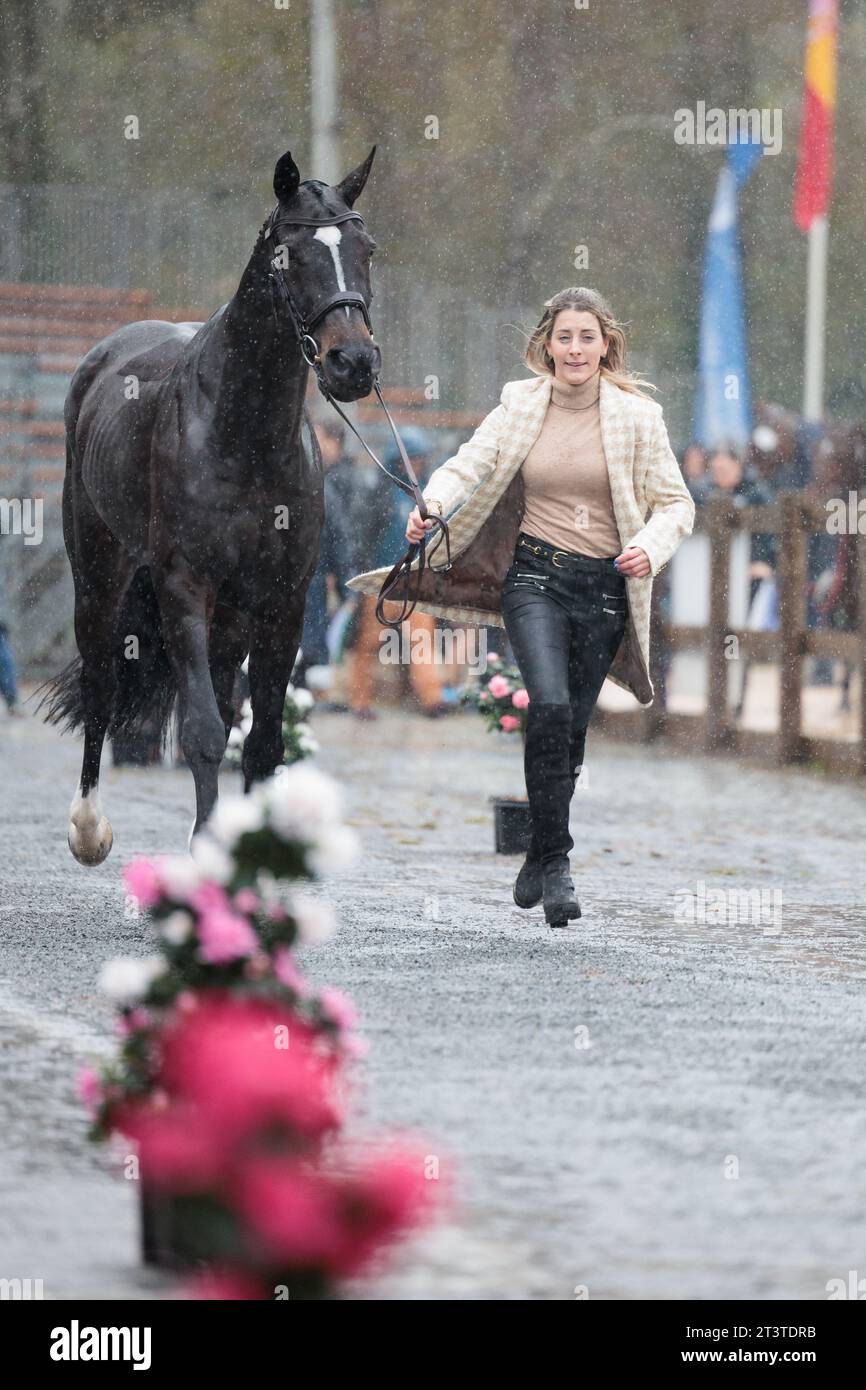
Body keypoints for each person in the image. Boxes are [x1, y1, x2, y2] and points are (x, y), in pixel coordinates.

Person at [346, 285, 695, 928]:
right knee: (551, 705)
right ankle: (558, 861)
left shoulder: (637, 416)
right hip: (534, 579)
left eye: (587, 337)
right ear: (547, 344)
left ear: (605, 345)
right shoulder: (520, 402)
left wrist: (650, 545)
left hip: (605, 588)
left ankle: (536, 846)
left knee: (573, 730)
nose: (575, 349)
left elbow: (677, 503)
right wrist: (433, 505)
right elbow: (467, 462)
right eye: (564, 336)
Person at [344, 428, 455, 719]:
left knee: (421, 640)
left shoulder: (428, 494)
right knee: (369, 641)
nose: (416, 464)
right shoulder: (379, 493)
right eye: (411, 459)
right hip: (382, 581)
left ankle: (432, 699)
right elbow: (362, 538)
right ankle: (360, 701)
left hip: (416, 580)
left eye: (419, 459)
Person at [293, 419, 354, 700]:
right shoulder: (319, 485)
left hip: (309, 593)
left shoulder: (328, 486)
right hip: (306, 593)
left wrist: (346, 586)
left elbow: (340, 540)